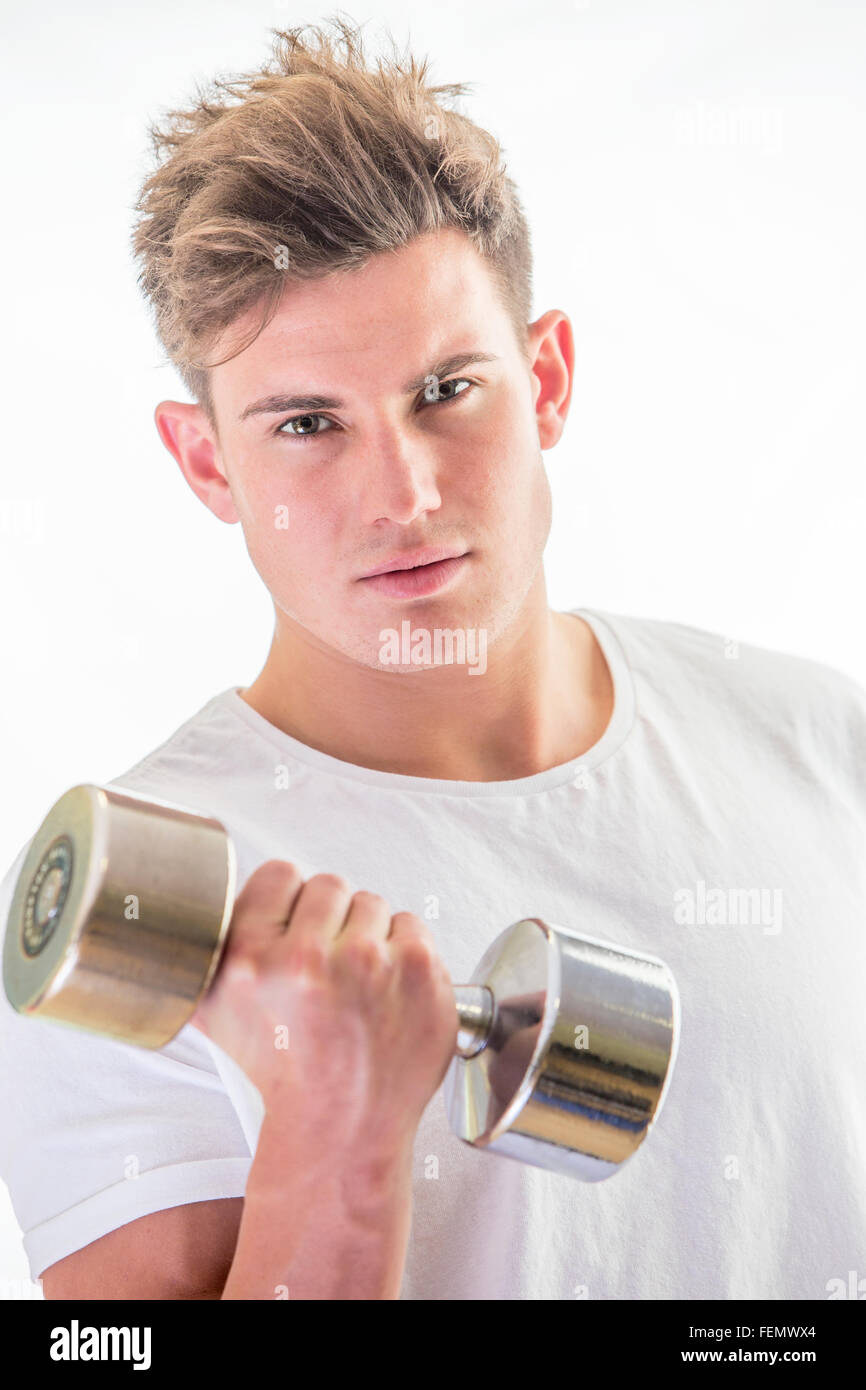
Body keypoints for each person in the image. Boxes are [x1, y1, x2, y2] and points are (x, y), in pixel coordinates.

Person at [1, 17, 864, 1302]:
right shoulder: (129, 927)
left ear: (548, 376)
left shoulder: (814, 739)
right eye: (306, 423)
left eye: (445, 390)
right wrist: (335, 1123)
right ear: (204, 462)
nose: (398, 492)